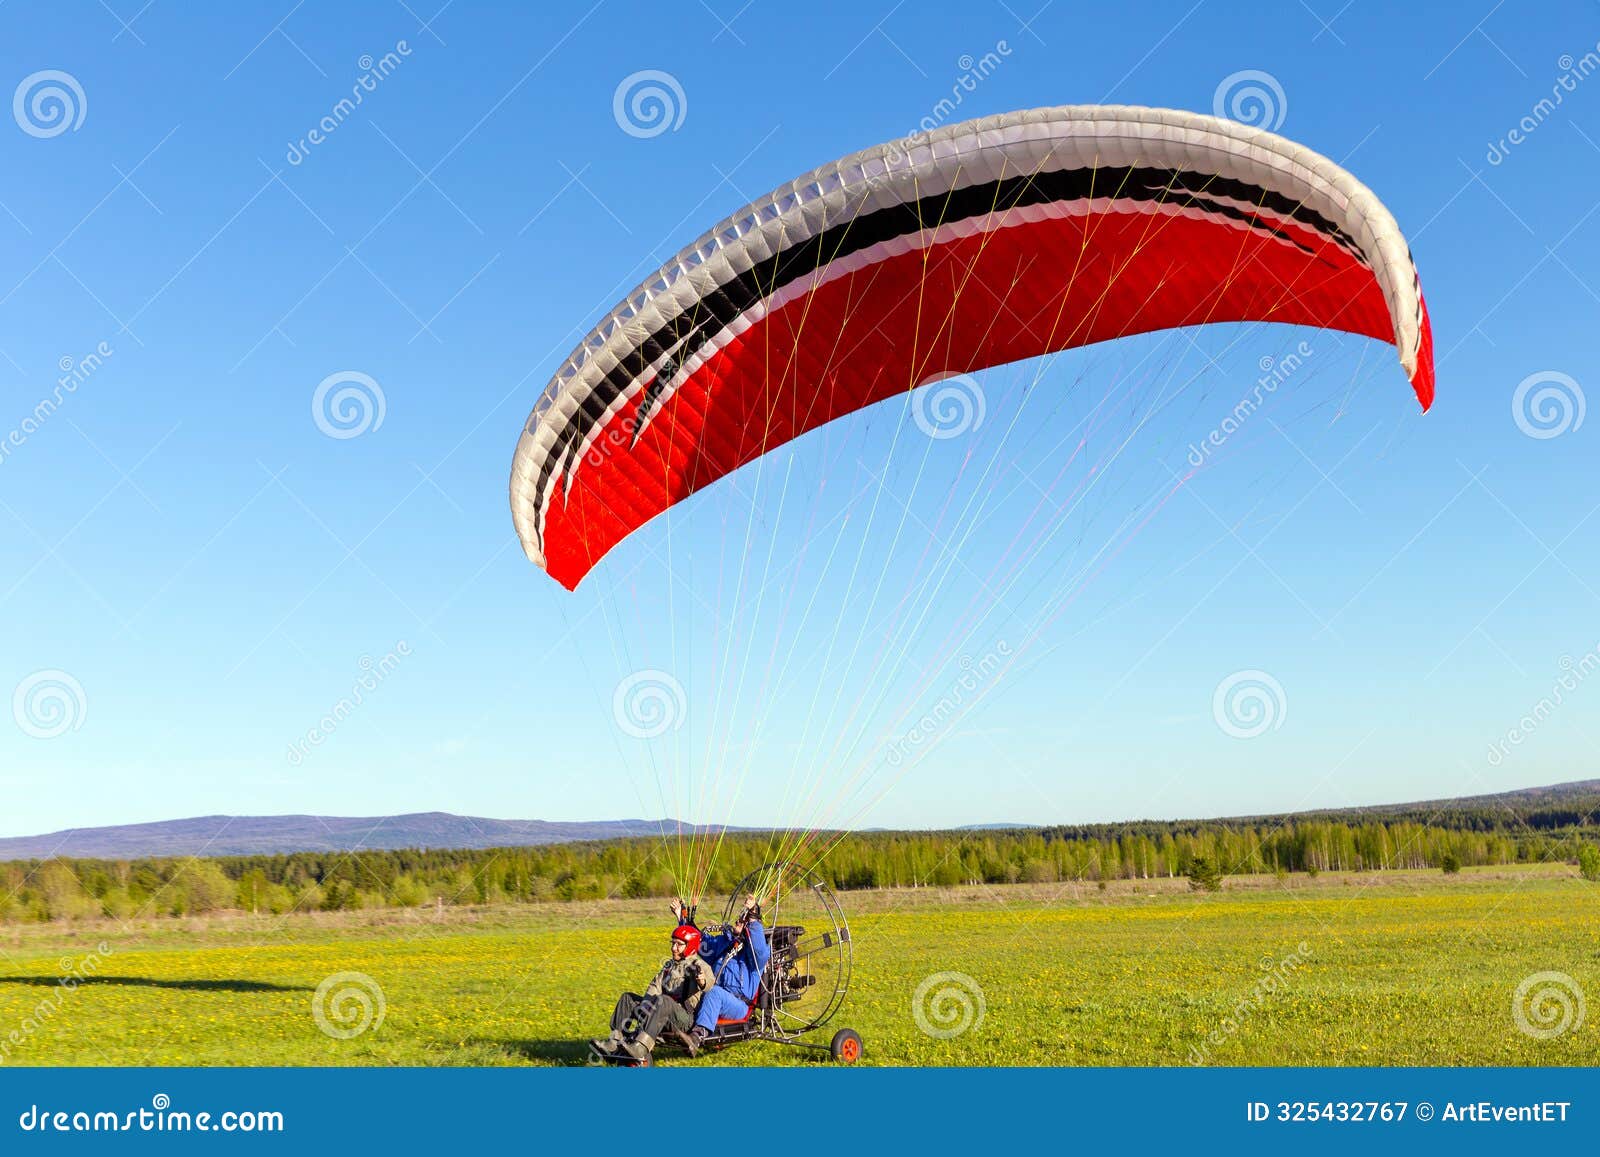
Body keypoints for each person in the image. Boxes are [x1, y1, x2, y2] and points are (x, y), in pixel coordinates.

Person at [591, 917, 712, 1063]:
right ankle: (614, 1042)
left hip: (683, 1019)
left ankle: (641, 1046)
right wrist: (646, 1006)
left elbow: (709, 983)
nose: (673, 948)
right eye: (673, 943)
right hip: (660, 1009)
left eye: (679, 945)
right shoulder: (670, 965)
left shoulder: (700, 965)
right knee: (627, 998)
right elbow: (655, 986)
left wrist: (701, 980)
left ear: (690, 946)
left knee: (664, 1001)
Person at [677, 892, 770, 1056]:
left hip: (739, 1006)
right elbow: (698, 943)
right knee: (687, 980)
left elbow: (759, 949)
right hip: (714, 997)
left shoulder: (755, 959)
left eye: (743, 921)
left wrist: (753, 915)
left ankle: (698, 1036)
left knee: (714, 992)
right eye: (739, 919)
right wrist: (681, 917)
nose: (739, 921)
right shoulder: (723, 946)